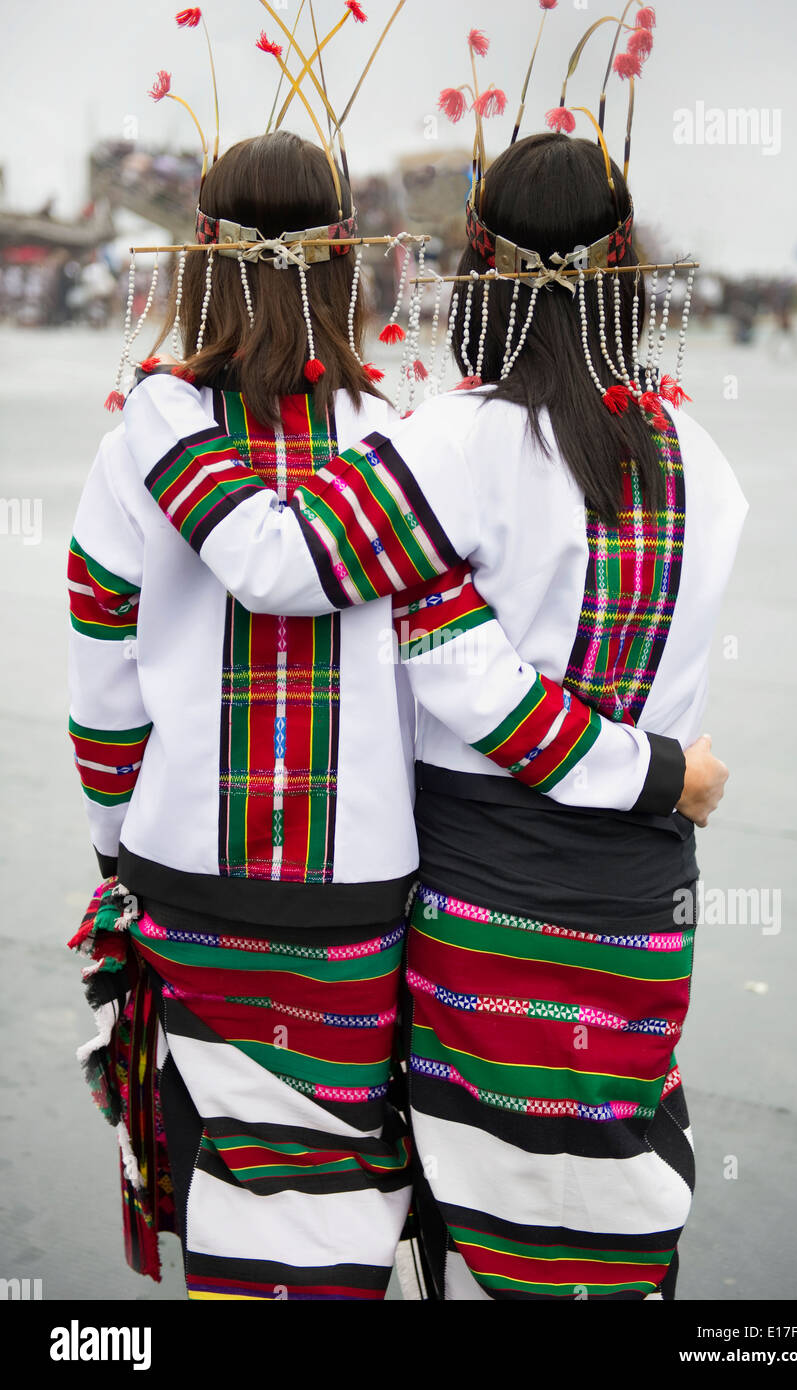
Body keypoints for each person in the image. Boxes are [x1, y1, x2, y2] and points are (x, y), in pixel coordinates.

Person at [68, 129, 726, 1302]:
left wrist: (118, 845)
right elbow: (479, 671)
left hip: (270, 872)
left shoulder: (408, 449)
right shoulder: (669, 461)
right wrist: (661, 773)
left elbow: (115, 677)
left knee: (275, 1169)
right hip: (503, 890)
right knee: (548, 1187)